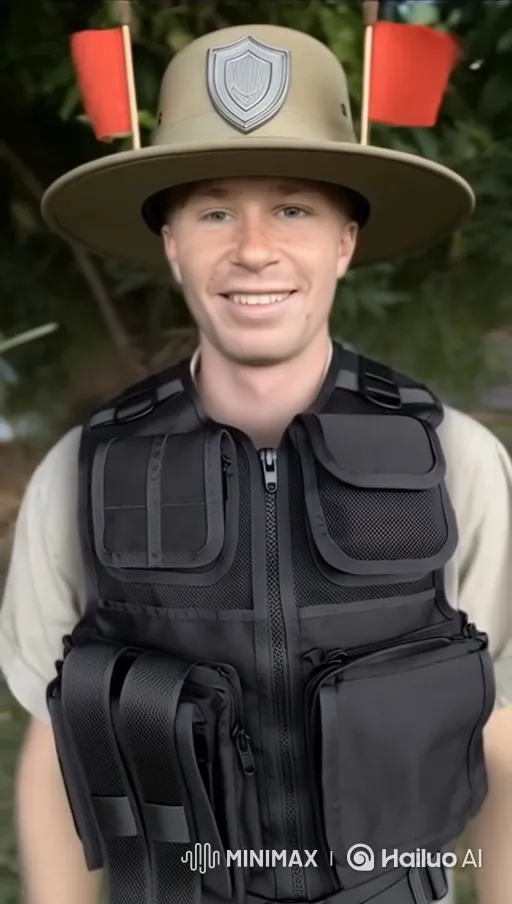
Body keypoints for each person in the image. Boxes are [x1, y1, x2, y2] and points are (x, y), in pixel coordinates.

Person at [0, 21, 511, 904]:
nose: (254, 249)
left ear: (346, 241)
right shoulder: (80, 476)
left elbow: (500, 737)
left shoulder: (456, 463)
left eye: (294, 207)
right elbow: (55, 747)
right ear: (170, 242)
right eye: (213, 211)